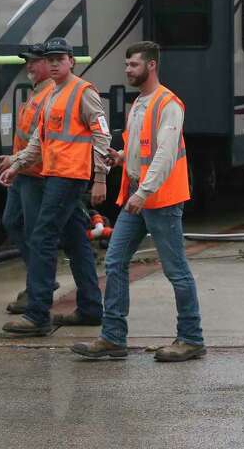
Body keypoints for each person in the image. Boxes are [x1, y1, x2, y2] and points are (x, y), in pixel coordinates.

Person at [72, 41, 205, 362]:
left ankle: (191, 338)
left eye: (133, 65)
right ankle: (113, 338)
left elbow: (165, 152)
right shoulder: (139, 105)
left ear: (151, 66)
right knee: (115, 262)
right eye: (127, 65)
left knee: (176, 271)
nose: (127, 70)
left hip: (159, 199)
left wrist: (143, 191)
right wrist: (120, 158)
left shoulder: (169, 103)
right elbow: (140, 150)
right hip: (137, 196)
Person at [0, 37, 108, 336]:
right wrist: (17, 165)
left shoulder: (83, 92)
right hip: (53, 175)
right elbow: (38, 141)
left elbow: (102, 137)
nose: (56, 63)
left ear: (71, 61)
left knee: (43, 237)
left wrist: (100, 178)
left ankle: (38, 314)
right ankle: (90, 308)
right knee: (75, 239)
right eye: (52, 59)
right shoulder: (52, 95)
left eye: (61, 58)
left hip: (69, 178)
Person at [0, 43, 58, 315]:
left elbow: (43, 140)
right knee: (11, 222)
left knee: (35, 234)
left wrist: (17, 162)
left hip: (36, 175)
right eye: (27, 62)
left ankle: (37, 290)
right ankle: (41, 280)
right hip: (22, 172)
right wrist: (12, 160)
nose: (29, 67)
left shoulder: (51, 95)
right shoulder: (36, 93)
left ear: (48, 64)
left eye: (34, 62)